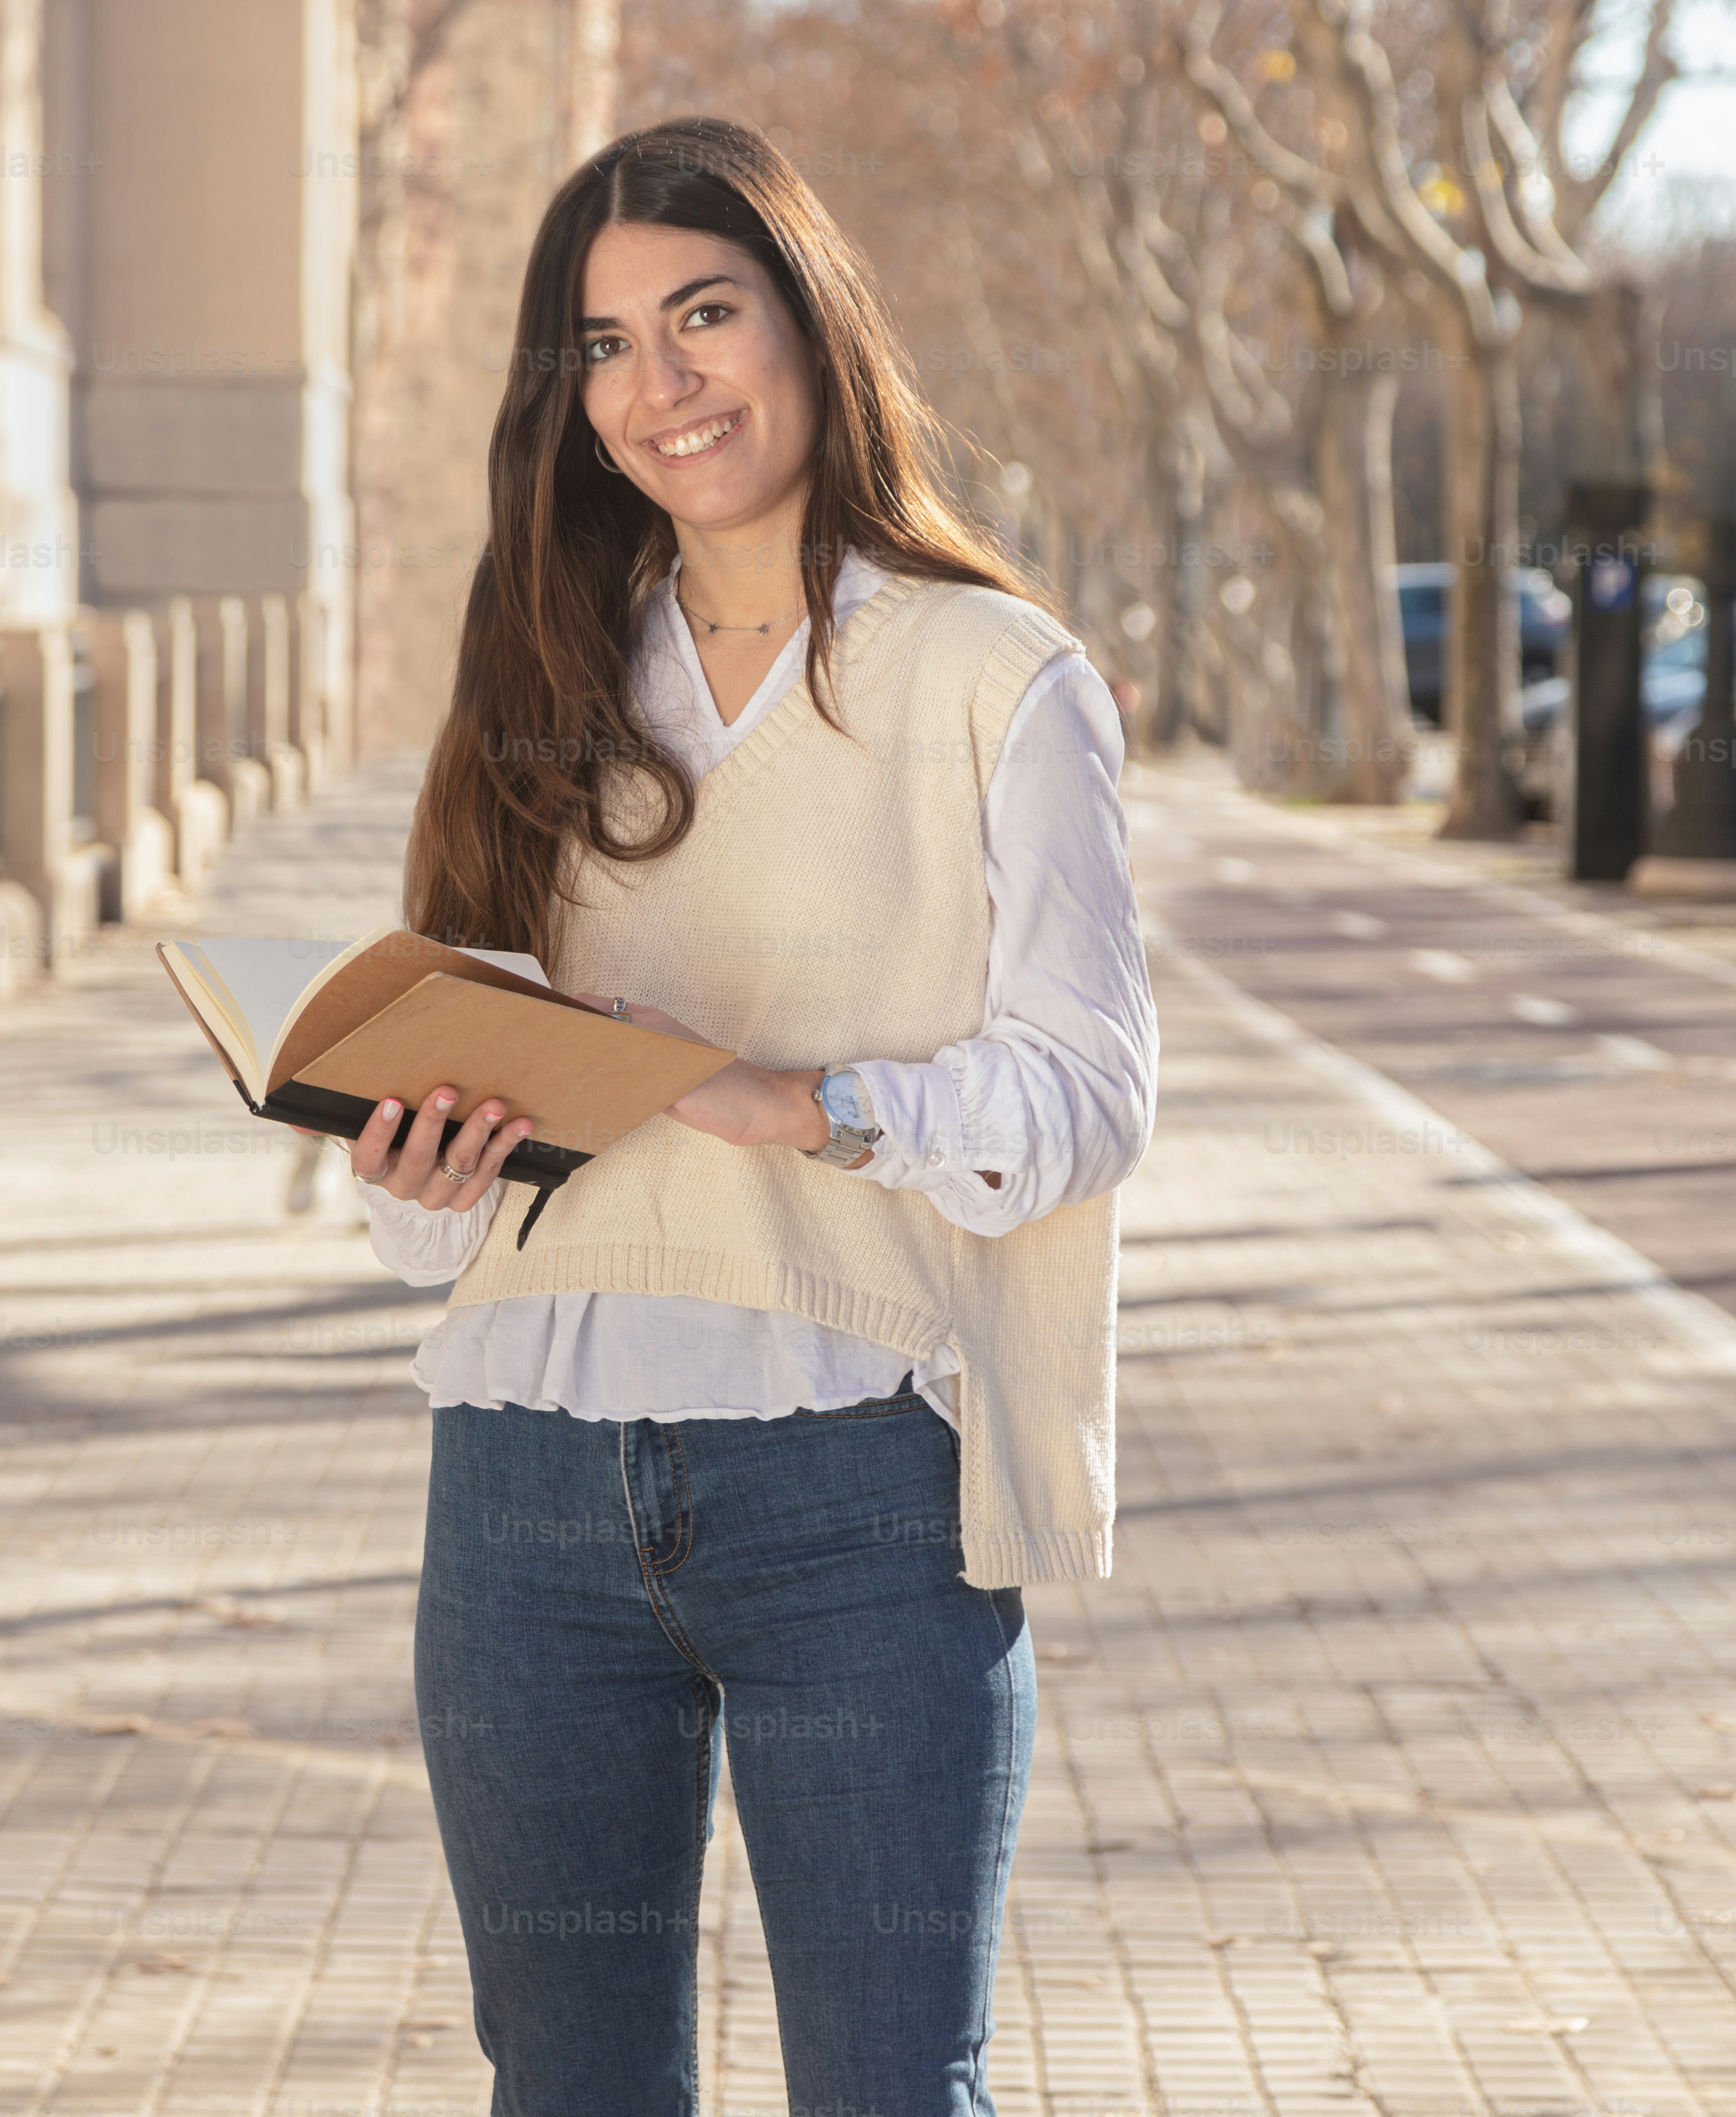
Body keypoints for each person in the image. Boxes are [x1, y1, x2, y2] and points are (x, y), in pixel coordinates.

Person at [348, 117, 1158, 2116]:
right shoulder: (540, 674)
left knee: (893, 2090)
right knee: (571, 2092)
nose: (661, 384)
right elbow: (450, 1204)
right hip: (523, 1490)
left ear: (815, 323)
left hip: (860, 1492)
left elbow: (1087, 1092)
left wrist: (795, 1102)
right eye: (605, 345)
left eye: (704, 314)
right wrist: (417, 1166)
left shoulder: (995, 677)